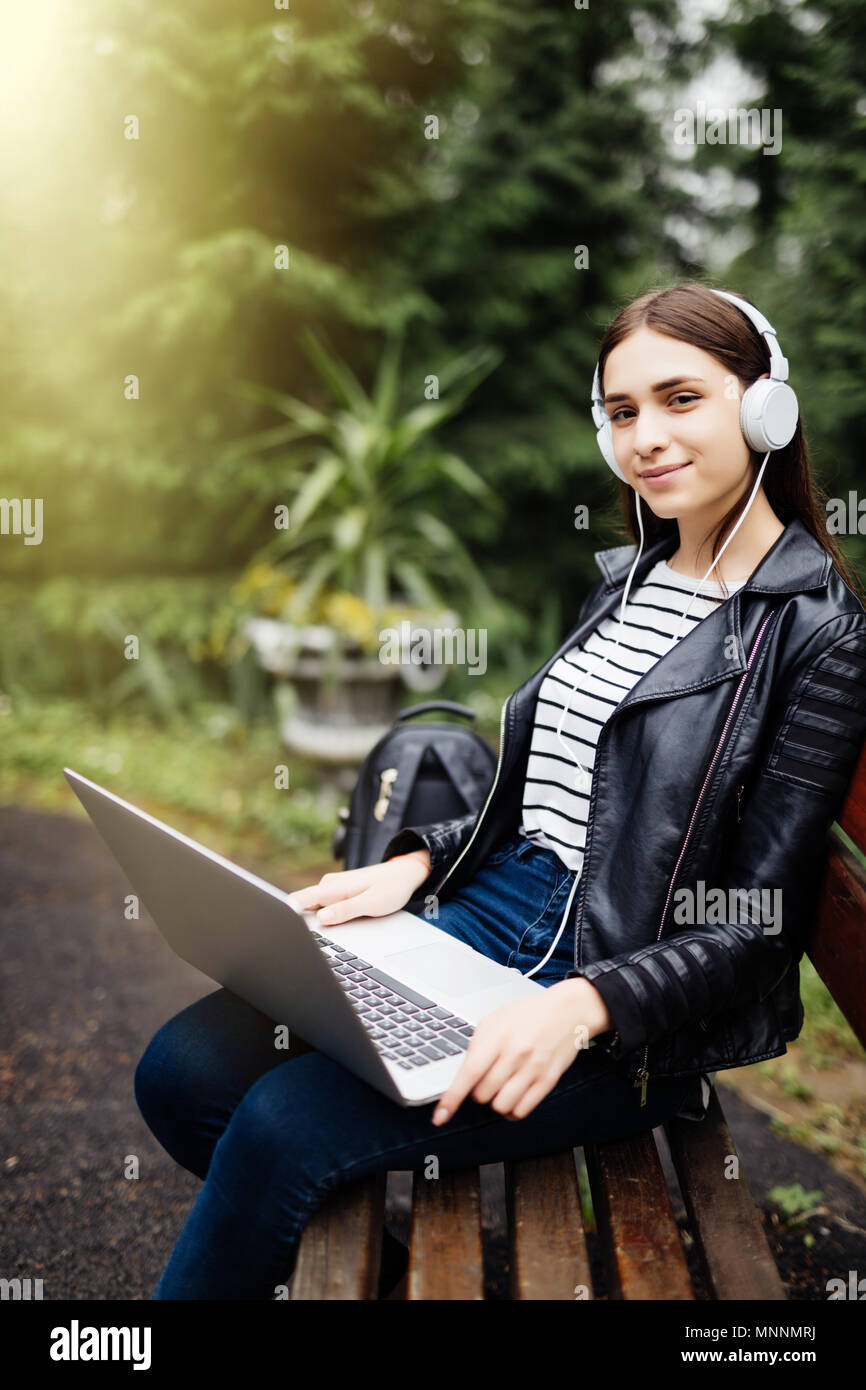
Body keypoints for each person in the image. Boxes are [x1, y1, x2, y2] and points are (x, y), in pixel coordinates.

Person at [134, 282, 866, 1299]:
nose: (643, 437)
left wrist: (583, 1004)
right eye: (620, 412)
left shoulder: (815, 632)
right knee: (182, 1068)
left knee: (280, 1123)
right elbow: (547, 793)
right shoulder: (629, 579)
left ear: (763, 409)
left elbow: (754, 924)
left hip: (617, 1005)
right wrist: (420, 860)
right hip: (490, 916)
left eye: (679, 399)